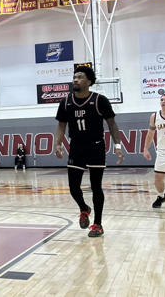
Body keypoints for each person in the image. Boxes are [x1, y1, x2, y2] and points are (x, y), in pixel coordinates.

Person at [54, 66, 123, 238]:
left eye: (80, 77)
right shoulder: (65, 101)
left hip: (96, 146)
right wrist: (58, 144)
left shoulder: (100, 100)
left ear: (89, 82)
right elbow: (61, 125)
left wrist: (118, 146)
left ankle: (98, 224)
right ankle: (84, 208)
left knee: (96, 187)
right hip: (76, 147)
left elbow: (112, 124)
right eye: (74, 77)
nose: (75, 80)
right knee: (73, 187)